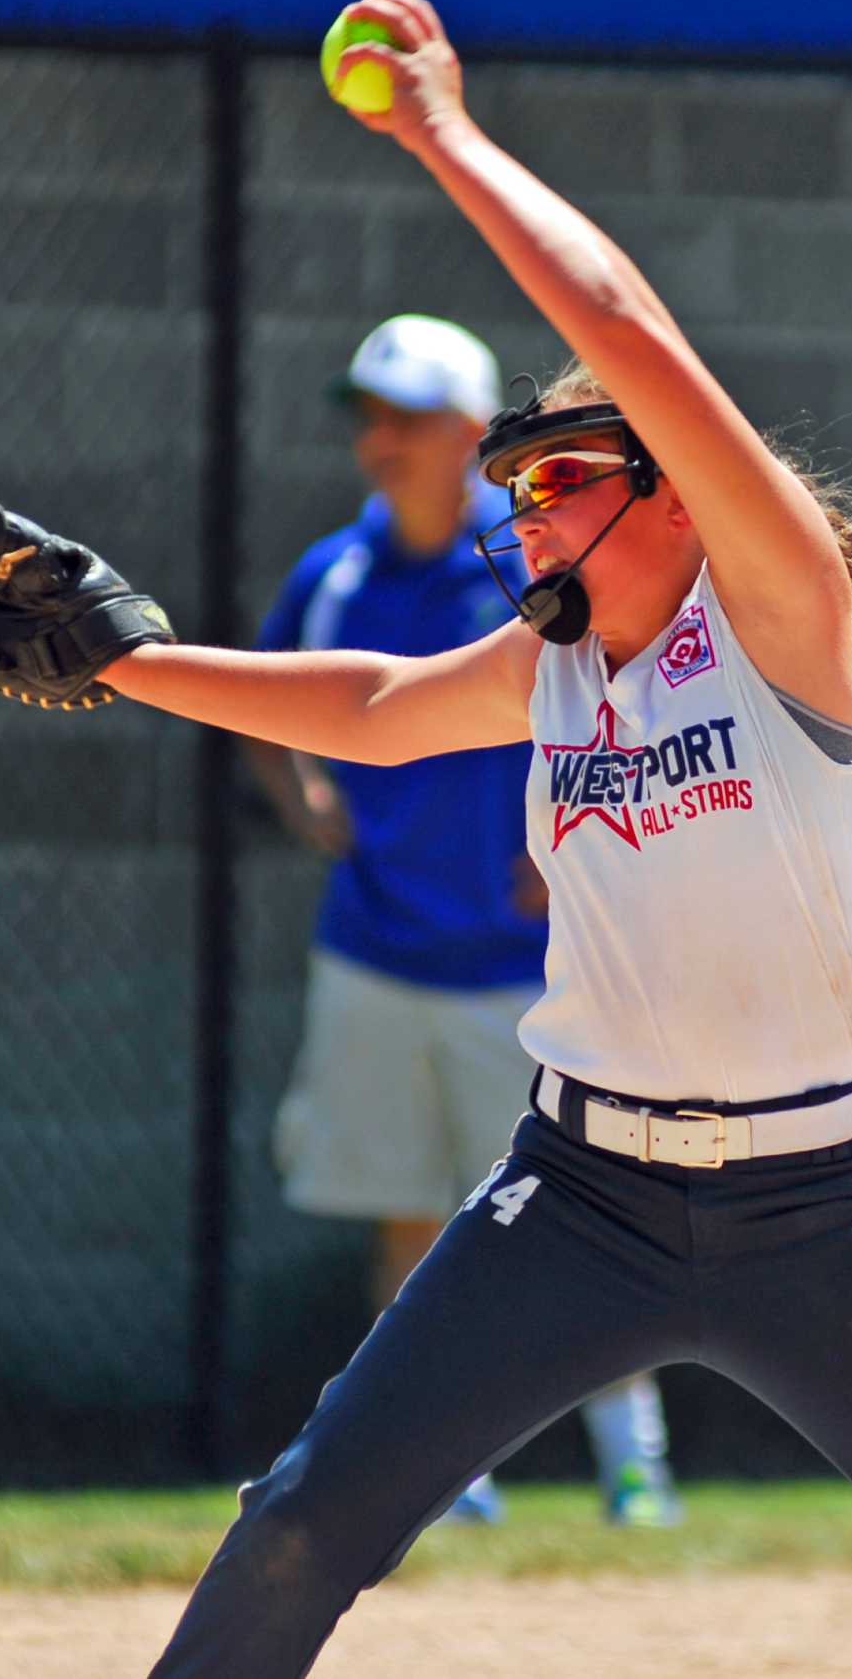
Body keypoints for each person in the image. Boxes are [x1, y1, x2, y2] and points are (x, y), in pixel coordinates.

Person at [102, 0, 852, 1678]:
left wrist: (443, 135)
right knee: (301, 1518)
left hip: (818, 1215)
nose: (523, 513)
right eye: (512, 498)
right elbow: (364, 706)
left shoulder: (778, 614)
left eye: (556, 482)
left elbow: (631, 332)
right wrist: (124, 659)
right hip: (576, 1198)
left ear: (663, 488)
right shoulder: (560, 665)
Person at [245, 312, 679, 1529]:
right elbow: (283, 711)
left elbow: (633, 703)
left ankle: (632, 1462)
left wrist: (577, 839)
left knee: (579, 1222)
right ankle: (447, 1468)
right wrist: (304, 792)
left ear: (463, 437)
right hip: (376, 949)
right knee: (409, 1212)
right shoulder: (332, 574)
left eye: (402, 420)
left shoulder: (538, 566)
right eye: (367, 420)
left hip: (525, 972)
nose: (375, 442)